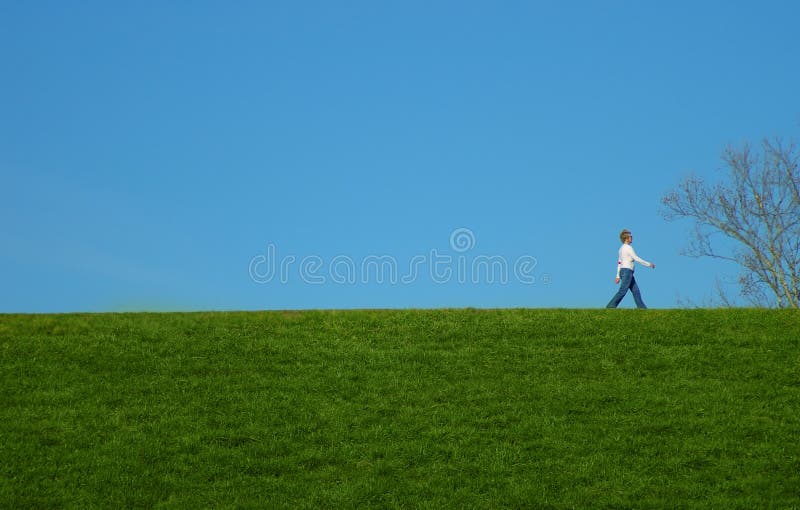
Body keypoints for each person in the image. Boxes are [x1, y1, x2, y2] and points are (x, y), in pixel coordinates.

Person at [606, 229, 655, 309]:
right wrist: (649, 264)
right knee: (622, 291)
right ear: (626, 238)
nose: (632, 238)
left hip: (625, 272)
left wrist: (618, 276)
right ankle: (610, 306)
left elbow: (619, 263)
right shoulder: (628, 248)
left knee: (636, 291)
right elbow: (635, 258)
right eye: (630, 236)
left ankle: (642, 308)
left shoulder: (621, 249)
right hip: (627, 271)